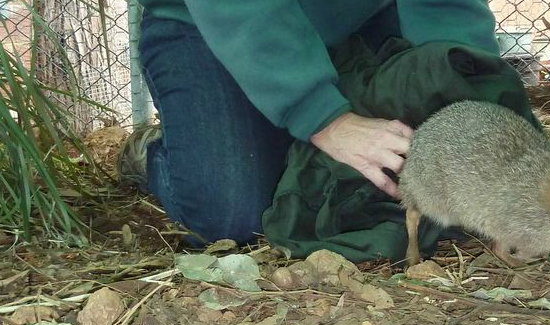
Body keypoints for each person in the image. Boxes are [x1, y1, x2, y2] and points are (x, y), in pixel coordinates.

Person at [118, 0, 502, 247]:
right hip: (210, 21)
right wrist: (325, 118)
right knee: (232, 219)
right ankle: (159, 156)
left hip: (359, 16)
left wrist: (470, 96)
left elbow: (448, 11)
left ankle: (277, 130)